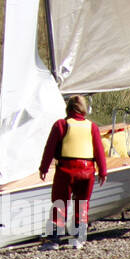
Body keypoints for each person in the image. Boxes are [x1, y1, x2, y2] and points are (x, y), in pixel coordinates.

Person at [38, 94, 108, 250]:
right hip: (87, 171)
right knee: (82, 204)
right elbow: (99, 151)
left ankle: (54, 240)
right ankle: (79, 239)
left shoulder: (61, 125)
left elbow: (49, 149)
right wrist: (103, 171)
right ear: (84, 109)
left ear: (68, 108)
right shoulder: (92, 127)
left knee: (59, 204)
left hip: (66, 170)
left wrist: (43, 168)